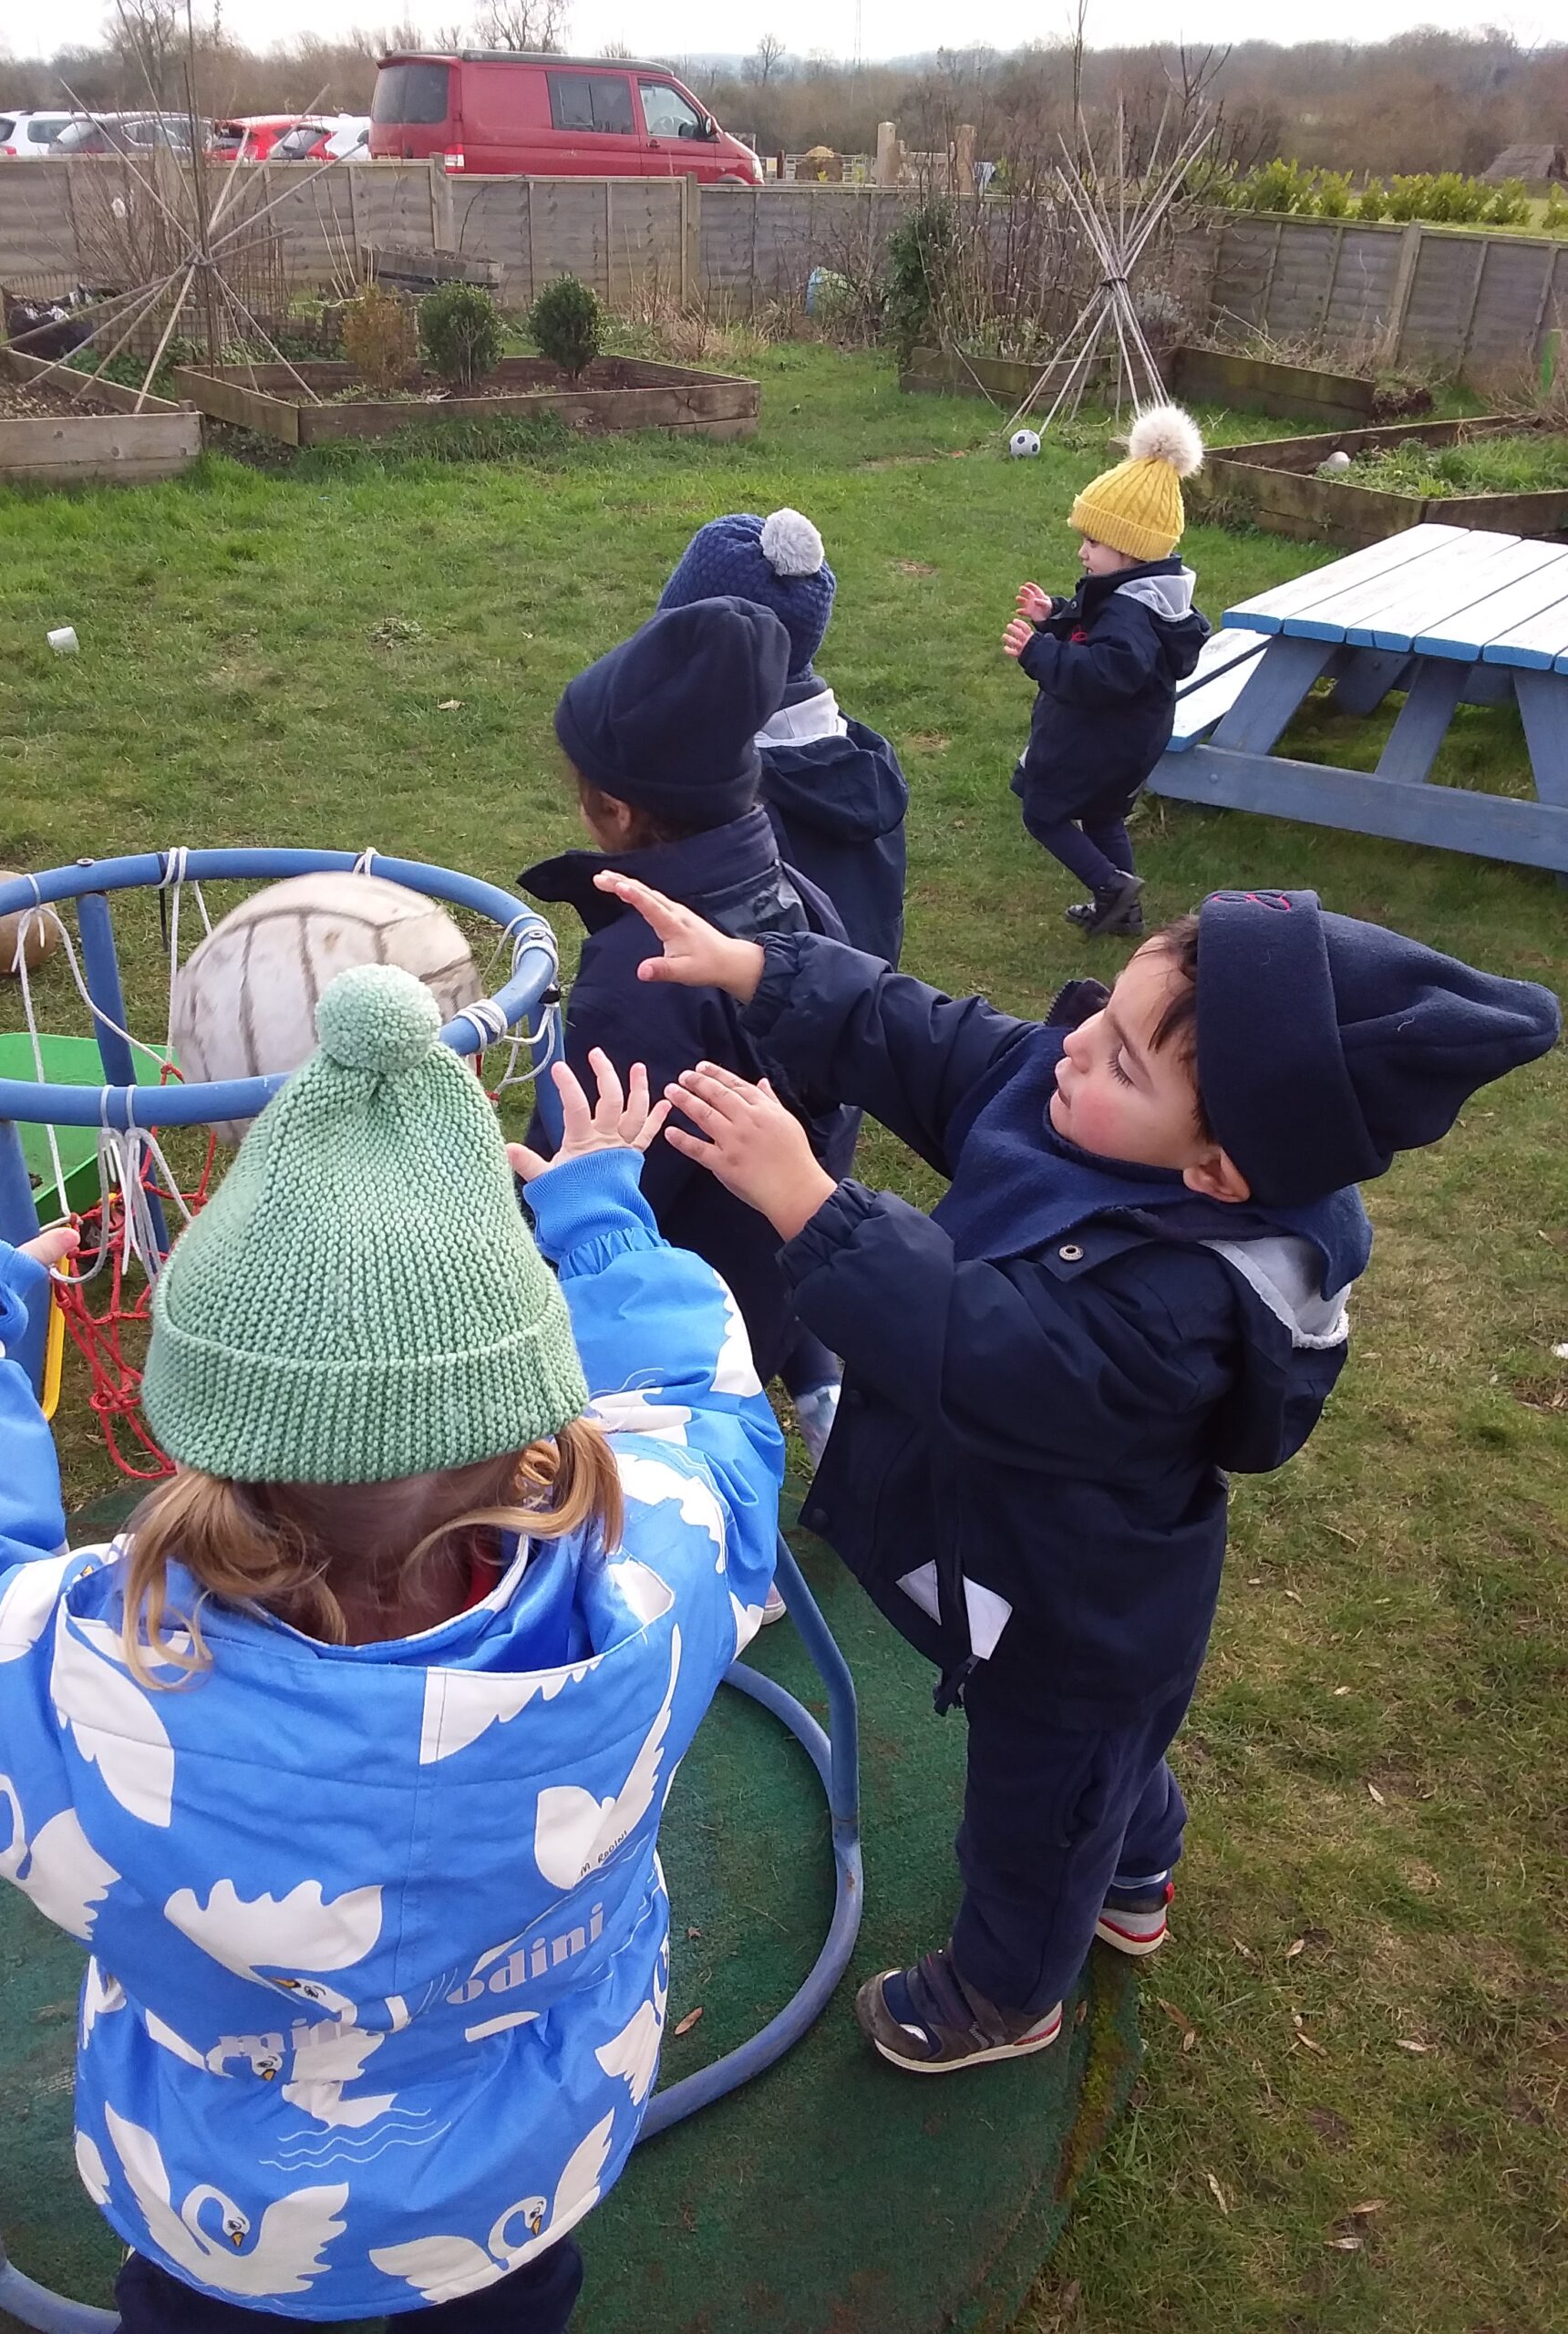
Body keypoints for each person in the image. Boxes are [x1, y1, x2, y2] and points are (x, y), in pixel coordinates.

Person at [0, 965, 781, 2329]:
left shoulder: (92, 1678)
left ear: (207, 1435)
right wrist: (600, 1217)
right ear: (531, 1415)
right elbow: (704, 1411)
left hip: (226, 2226)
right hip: (521, 2177)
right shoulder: (660, 1580)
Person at [589, 872, 1559, 2075]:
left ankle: (1005, 1994)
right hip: (1015, 1570)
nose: (1073, 1047)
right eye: (1103, 1016)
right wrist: (763, 971)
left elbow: (985, 1350)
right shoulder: (1093, 1106)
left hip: (1072, 1622)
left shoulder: (1179, 1313)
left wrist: (809, 1203)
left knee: (1040, 1819)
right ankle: (1137, 1872)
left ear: (1216, 1174)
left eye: (1119, 1058)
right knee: (1101, 1780)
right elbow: (939, 1043)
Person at [521, 594, 858, 1490]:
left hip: (680, 1314)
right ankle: (824, 1390)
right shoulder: (795, 897)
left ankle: (712, 1536)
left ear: (617, 813)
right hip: (780, 1261)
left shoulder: (641, 979)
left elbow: (586, 1169)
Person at [657, 508, 910, 968]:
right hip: (871, 1001)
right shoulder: (864, 756)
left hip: (792, 1018)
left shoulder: (740, 803)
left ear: (713, 661)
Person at [1003, 407, 1210, 939]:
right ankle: (1126, 913)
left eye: (1093, 543)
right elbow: (1091, 628)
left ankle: (1111, 886)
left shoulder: (1129, 612)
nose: (1082, 551)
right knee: (1101, 817)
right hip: (1130, 742)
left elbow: (1105, 670)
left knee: (1042, 812)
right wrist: (1055, 616)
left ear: (1130, 549)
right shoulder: (1140, 595)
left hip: (1099, 741)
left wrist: (1037, 654)